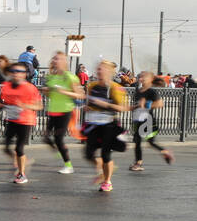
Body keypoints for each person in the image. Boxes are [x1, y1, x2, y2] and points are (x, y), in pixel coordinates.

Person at [81, 58, 129, 192]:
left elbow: (121, 108)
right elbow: (91, 102)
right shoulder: (92, 86)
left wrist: (105, 105)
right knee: (88, 153)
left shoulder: (115, 88)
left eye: (102, 69)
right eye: (98, 68)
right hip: (94, 124)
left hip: (109, 125)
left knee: (105, 154)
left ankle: (107, 181)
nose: (99, 71)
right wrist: (88, 107)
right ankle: (105, 169)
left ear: (109, 72)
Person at [0, 60, 41, 184]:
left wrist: (25, 105)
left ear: (24, 74)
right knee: (6, 147)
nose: (15, 74)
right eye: (13, 71)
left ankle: (22, 174)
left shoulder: (30, 88)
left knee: (19, 148)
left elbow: (39, 106)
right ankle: (22, 161)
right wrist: (2, 105)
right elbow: (8, 102)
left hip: (26, 121)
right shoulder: (6, 86)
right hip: (12, 119)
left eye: (19, 71)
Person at [41, 51, 82, 173]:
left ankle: (68, 166)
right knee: (46, 138)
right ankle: (59, 150)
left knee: (58, 139)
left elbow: (80, 94)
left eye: (57, 59)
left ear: (65, 62)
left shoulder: (70, 77)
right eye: (54, 58)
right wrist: (46, 90)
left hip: (65, 110)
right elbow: (48, 93)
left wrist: (64, 92)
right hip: (53, 110)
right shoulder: (50, 77)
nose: (55, 61)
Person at [129, 71, 175, 171]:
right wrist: (133, 107)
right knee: (137, 142)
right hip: (138, 120)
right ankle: (138, 162)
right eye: (140, 77)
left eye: (144, 77)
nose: (141, 79)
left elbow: (160, 104)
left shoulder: (152, 92)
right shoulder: (138, 91)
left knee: (150, 142)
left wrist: (146, 105)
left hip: (148, 121)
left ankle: (164, 152)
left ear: (150, 79)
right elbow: (137, 105)